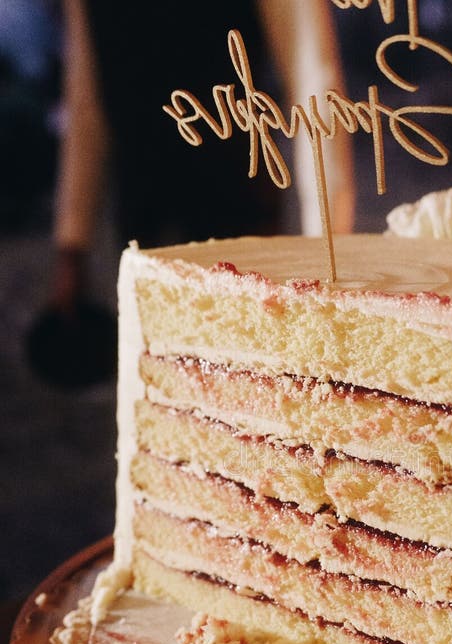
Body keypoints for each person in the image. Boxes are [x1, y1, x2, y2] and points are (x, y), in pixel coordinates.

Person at [27, 0, 354, 387]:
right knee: (162, 397)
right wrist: (72, 245)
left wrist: (330, 245)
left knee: (243, 399)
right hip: (143, 227)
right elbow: (86, 96)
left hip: (241, 223)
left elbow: (313, 77)